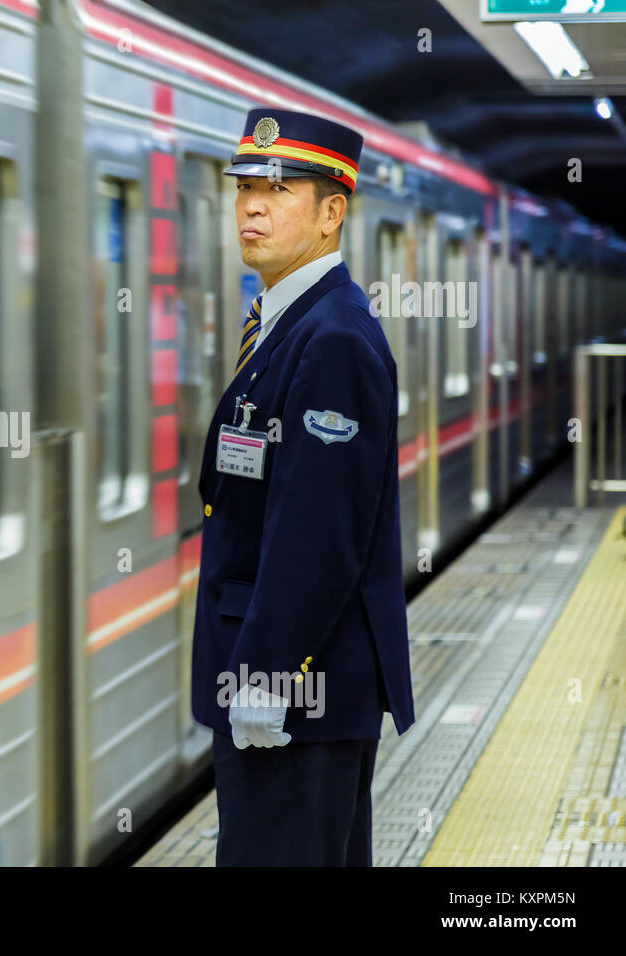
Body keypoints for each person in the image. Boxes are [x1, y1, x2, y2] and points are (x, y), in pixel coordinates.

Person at [190, 107, 415, 866]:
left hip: (295, 701)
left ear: (332, 213)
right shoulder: (293, 321)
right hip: (295, 696)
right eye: (246, 185)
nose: (252, 204)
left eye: (280, 189)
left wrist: (263, 675)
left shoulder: (335, 339)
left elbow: (320, 535)